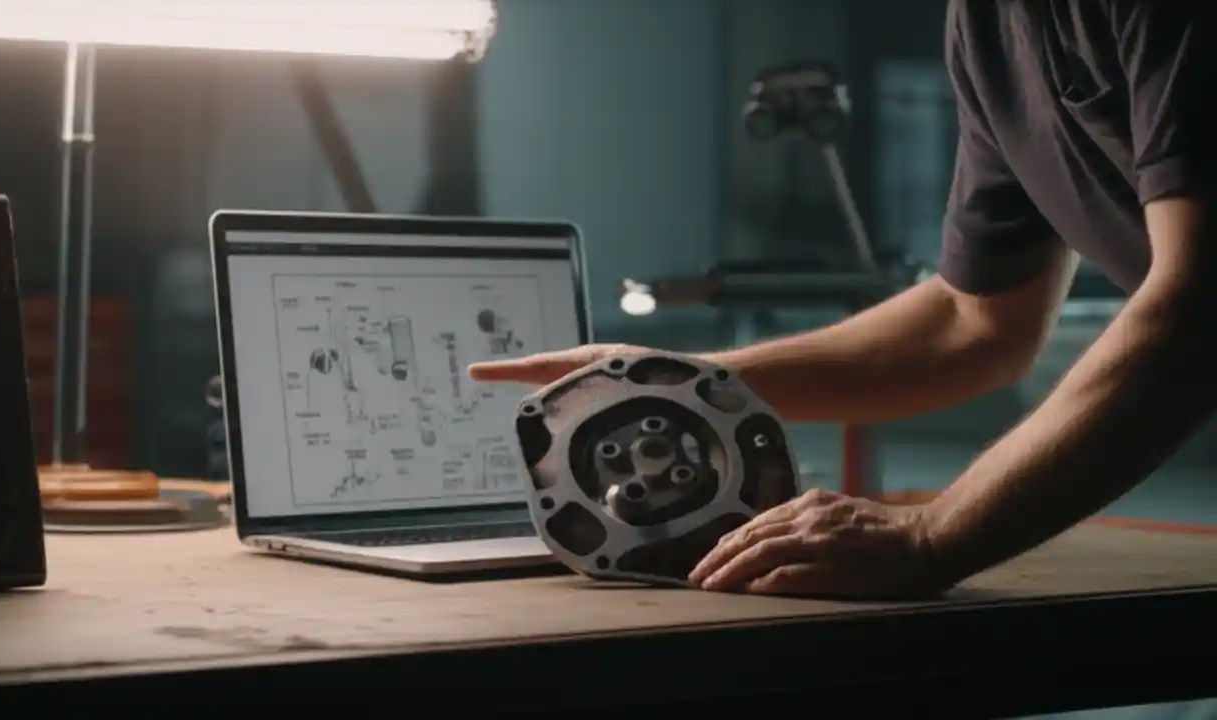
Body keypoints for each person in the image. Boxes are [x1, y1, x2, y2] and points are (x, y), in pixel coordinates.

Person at [468, 0, 1216, 599]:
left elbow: (1198, 306)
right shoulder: (988, 24)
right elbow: (975, 322)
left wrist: (929, 536)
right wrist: (685, 384)